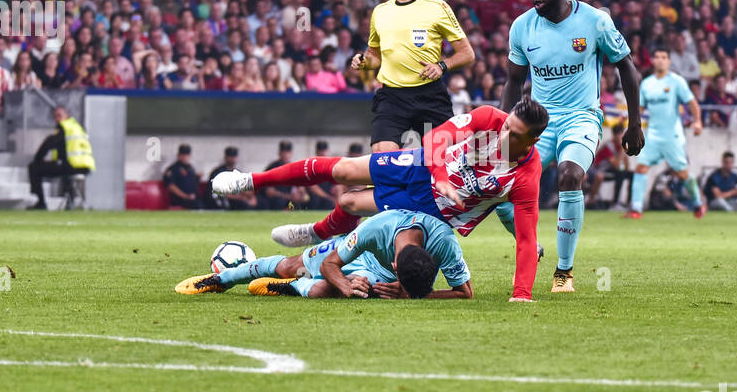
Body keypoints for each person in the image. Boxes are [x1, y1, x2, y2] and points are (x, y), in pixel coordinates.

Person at [214, 100, 548, 301]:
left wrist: (521, 294)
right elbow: (436, 137)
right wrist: (442, 178)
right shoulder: (488, 117)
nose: (505, 135)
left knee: (349, 204)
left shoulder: (526, 176)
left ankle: (317, 236)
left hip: (431, 212)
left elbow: (526, 238)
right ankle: (249, 180)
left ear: (533, 140)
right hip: (422, 165)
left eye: (515, 135)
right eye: (506, 127)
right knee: (343, 169)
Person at [499, 0, 644, 292]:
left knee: (570, 176)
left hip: (582, 117)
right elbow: (512, 81)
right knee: (498, 184)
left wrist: (633, 122)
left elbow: (627, 67)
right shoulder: (522, 27)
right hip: (539, 122)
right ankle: (533, 248)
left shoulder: (594, 21)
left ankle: (563, 272)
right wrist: (504, 128)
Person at [175, 209, 472, 300]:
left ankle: (289, 288)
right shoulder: (376, 227)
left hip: (375, 271)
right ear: (395, 266)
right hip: (352, 248)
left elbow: (465, 293)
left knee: (319, 290)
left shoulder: (445, 243)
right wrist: (344, 282)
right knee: (291, 265)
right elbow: (332, 263)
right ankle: (221, 278)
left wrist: (415, 295)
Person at [349, 0, 475, 152]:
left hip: (429, 95)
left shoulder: (438, 7)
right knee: (383, 159)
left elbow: (467, 54)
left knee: (443, 161)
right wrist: (363, 62)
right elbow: (374, 56)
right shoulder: (380, 12)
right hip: (392, 97)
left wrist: (442, 66)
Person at [625, 47, 704, 219]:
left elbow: (691, 103)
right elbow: (640, 108)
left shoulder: (677, 82)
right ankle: (636, 209)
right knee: (640, 168)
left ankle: (698, 203)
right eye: (657, 57)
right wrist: (631, 125)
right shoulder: (647, 84)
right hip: (653, 135)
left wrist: (697, 121)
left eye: (664, 57)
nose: (660, 60)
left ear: (668, 61)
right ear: (653, 61)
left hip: (672, 136)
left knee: (682, 173)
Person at [27, 106, 96, 210]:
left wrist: (38, 159)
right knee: (61, 167)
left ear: (66, 115)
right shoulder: (76, 127)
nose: (57, 119)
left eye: (59, 116)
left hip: (72, 165)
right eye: (55, 117)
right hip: (84, 166)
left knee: (34, 167)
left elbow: (48, 143)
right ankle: (70, 200)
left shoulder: (64, 127)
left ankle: (41, 202)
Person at [257, 140, 310, 211]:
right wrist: (288, 196)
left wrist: (301, 194)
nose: (285, 155)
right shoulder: (273, 167)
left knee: (304, 201)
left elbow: (301, 188)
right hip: (277, 198)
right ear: (279, 153)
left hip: (289, 198)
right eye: (283, 152)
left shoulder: (294, 167)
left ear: (291, 153)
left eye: (287, 152)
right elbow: (269, 192)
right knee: (279, 201)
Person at [205, 146, 257, 210]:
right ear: (226, 157)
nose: (232, 159)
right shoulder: (218, 172)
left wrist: (250, 197)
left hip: (237, 198)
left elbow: (247, 190)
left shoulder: (238, 173)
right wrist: (239, 197)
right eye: (231, 157)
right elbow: (218, 192)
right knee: (242, 204)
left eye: (234, 157)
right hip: (223, 199)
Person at [163, 143, 200, 209]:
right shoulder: (173, 169)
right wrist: (186, 196)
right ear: (178, 155)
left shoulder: (190, 168)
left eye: (187, 155)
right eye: (183, 155)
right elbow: (171, 186)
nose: (185, 157)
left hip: (193, 200)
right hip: (180, 201)